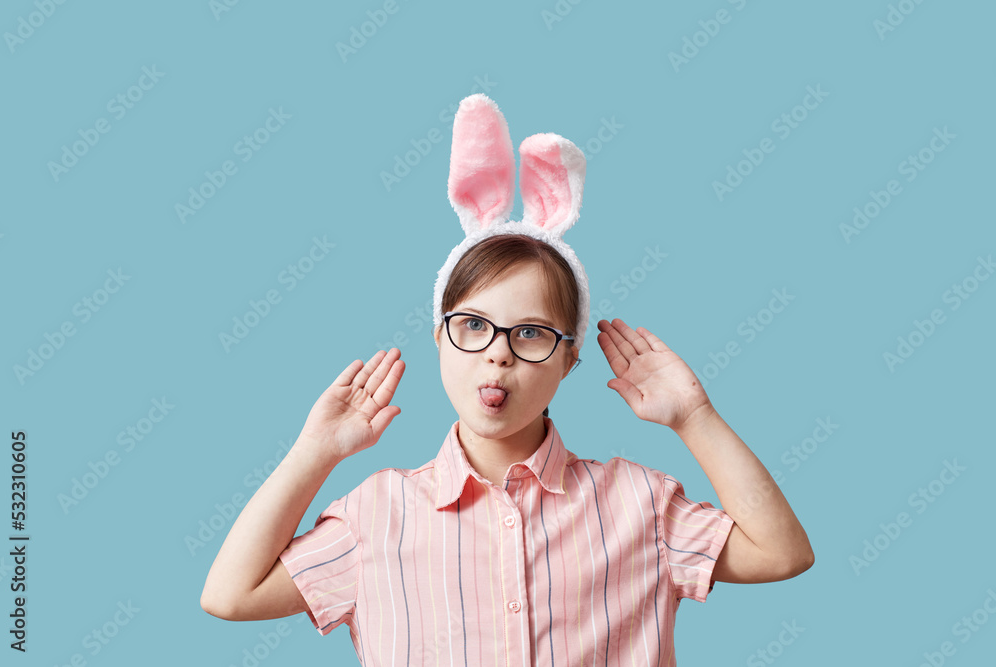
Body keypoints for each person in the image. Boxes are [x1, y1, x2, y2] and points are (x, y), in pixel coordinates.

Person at [200, 95, 814, 666]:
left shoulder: (638, 504)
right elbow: (231, 595)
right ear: (440, 337)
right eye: (473, 325)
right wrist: (314, 454)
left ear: (570, 359)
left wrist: (694, 417)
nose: (498, 357)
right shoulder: (377, 514)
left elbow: (782, 553)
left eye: (530, 334)